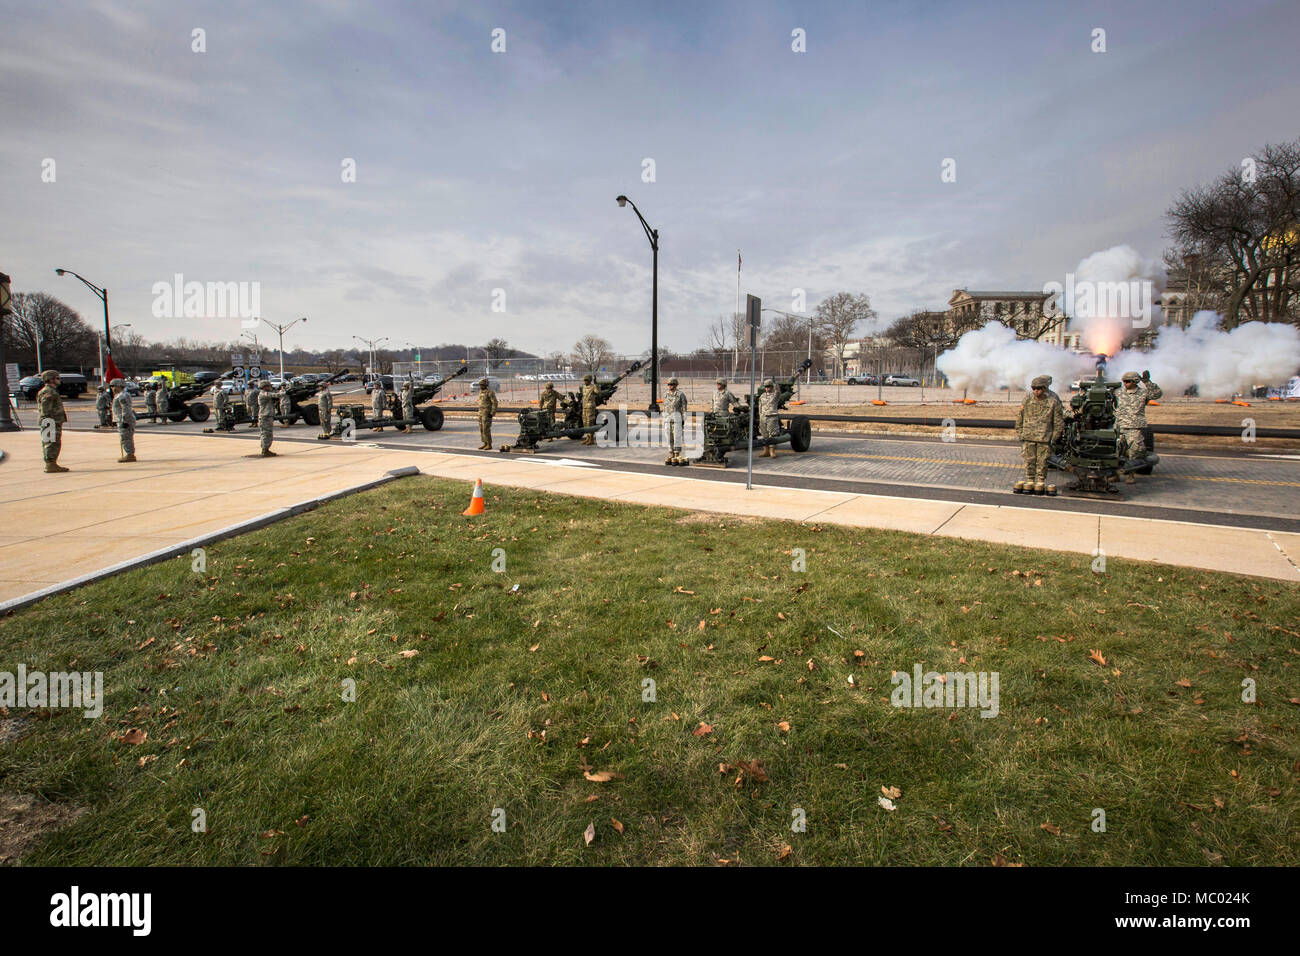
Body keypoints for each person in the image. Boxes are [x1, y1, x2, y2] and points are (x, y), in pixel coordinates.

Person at [1014, 375, 1063, 494]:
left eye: (1039, 388)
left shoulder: (1053, 401)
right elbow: (1020, 417)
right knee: (1029, 460)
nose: (1036, 391)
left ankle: (1040, 480)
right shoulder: (1027, 400)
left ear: (1045, 388)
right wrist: (1020, 432)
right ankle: (1030, 479)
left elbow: (1058, 421)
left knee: (1042, 461)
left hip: (1044, 437)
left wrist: (1055, 436)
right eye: (1034, 388)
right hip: (1028, 436)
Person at [1115, 370, 1162, 483]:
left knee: (1134, 452)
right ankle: (1115, 475)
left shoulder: (1143, 393)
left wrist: (1147, 382)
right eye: (1124, 381)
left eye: (1128, 381)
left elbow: (1157, 394)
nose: (1125, 383)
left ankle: (1131, 475)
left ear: (1135, 381)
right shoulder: (1118, 392)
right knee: (1116, 452)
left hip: (1134, 427)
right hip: (1119, 426)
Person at [37, 370, 69, 473]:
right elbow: (46, 409)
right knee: (51, 442)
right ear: (51, 379)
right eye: (57, 378)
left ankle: (52, 463)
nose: (59, 380)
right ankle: (50, 464)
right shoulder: (48, 392)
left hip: (52, 421)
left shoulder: (51, 391)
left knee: (53, 442)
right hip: (50, 421)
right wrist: (50, 421)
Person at [110, 378, 137, 462]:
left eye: (113, 386)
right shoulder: (119, 395)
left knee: (126, 438)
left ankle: (130, 455)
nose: (112, 388)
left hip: (125, 420)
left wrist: (124, 421)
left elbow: (126, 408)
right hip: (121, 420)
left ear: (119, 386)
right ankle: (129, 453)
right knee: (125, 438)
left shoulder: (122, 395)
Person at [662, 377, 687, 463]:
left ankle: (677, 453)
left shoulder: (680, 395)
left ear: (676, 385)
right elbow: (664, 407)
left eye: (671, 384)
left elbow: (684, 408)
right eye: (668, 384)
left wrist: (684, 419)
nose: (670, 386)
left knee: (677, 437)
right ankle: (671, 453)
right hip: (667, 419)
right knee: (669, 437)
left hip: (677, 419)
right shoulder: (665, 395)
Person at [758, 378, 781, 457]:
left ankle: (772, 451)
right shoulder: (762, 396)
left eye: (769, 386)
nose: (767, 388)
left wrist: (775, 383)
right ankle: (766, 450)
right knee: (764, 434)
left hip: (772, 417)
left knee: (772, 434)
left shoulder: (775, 395)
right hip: (763, 417)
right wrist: (760, 415)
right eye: (766, 387)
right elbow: (760, 406)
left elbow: (778, 392)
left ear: (772, 387)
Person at [476, 378, 497, 449]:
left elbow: (495, 403)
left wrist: (492, 413)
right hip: (480, 413)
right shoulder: (480, 392)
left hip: (487, 413)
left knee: (486, 429)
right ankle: (484, 443)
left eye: (482, 385)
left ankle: (489, 444)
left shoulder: (490, 392)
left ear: (485, 385)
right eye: (480, 385)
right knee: (481, 429)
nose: (480, 386)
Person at [579, 374, 599, 445]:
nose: (585, 381)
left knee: (590, 423)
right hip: (584, 407)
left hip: (590, 407)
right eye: (584, 380)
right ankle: (587, 438)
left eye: (586, 380)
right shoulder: (584, 387)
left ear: (590, 380)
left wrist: (596, 383)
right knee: (585, 423)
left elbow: (597, 392)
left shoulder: (593, 387)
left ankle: (591, 439)